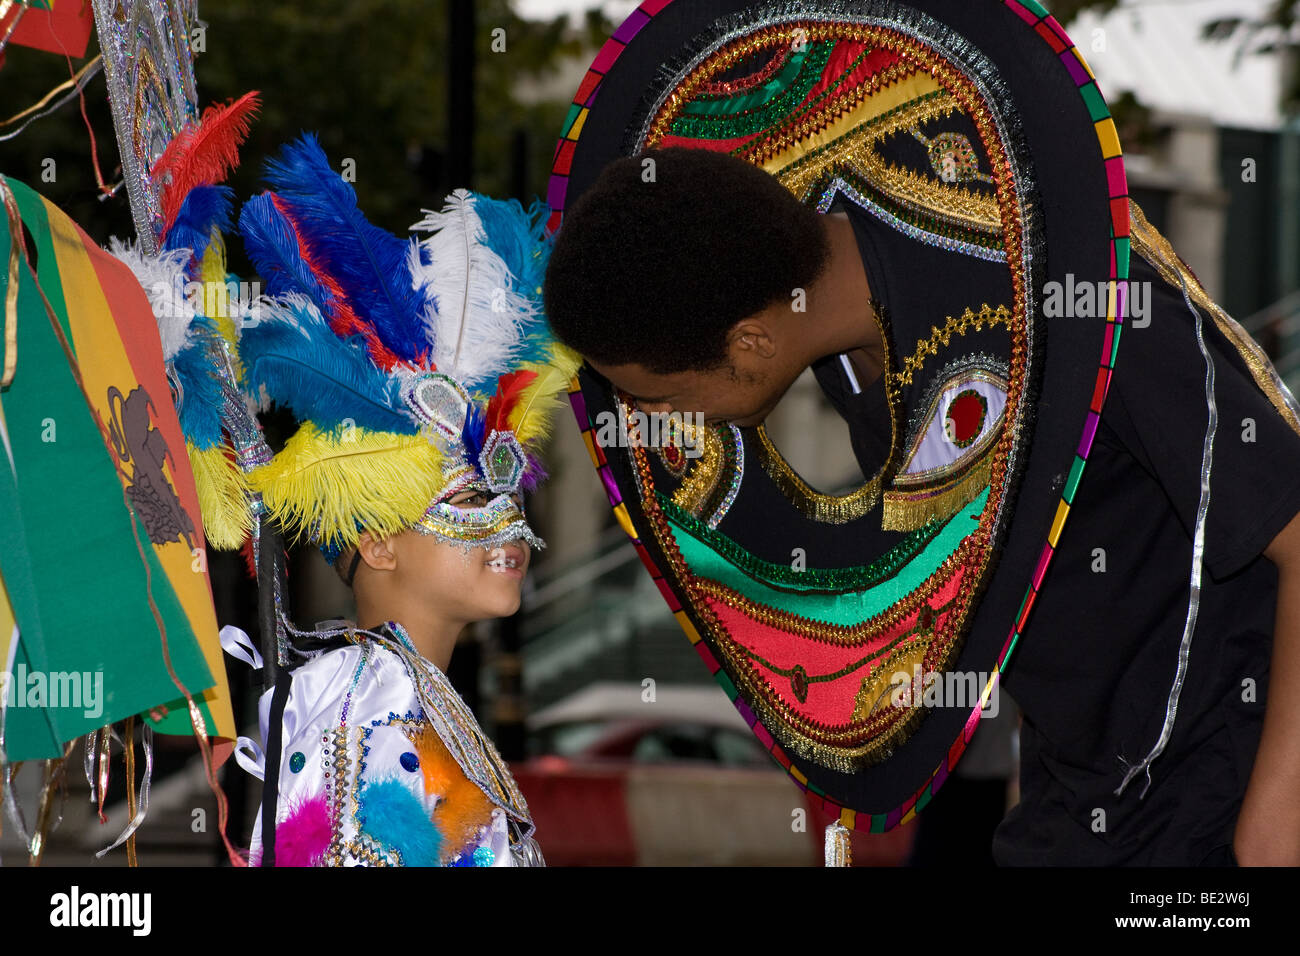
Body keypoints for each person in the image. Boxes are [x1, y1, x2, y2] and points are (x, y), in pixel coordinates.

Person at [539, 0, 1300, 867]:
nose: (653, 421)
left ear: (750, 342)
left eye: (657, 394)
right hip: (1084, 809)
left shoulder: (1062, 295)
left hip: (1211, 815)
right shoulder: (854, 333)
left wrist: (1274, 831)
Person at [222, 133, 576, 867]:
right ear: (379, 542)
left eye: (509, 494)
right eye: (474, 496)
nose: (510, 524)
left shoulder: (400, 695)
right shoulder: (368, 709)